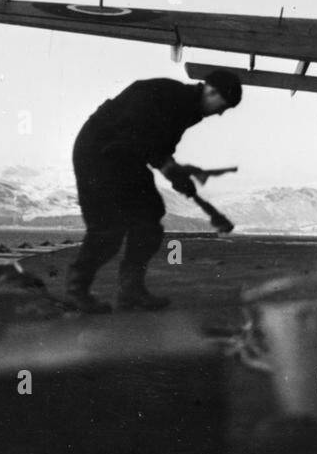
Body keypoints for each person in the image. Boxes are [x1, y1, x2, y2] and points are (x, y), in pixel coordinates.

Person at [64, 70, 243, 313]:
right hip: (98, 152)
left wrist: (175, 173)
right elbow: (143, 136)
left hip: (125, 157)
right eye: (224, 105)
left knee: (149, 216)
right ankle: (77, 289)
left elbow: (158, 147)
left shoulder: (188, 110)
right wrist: (173, 171)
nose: (221, 113)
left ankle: (130, 291)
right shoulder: (171, 96)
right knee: (107, 228)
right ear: (211, 90)